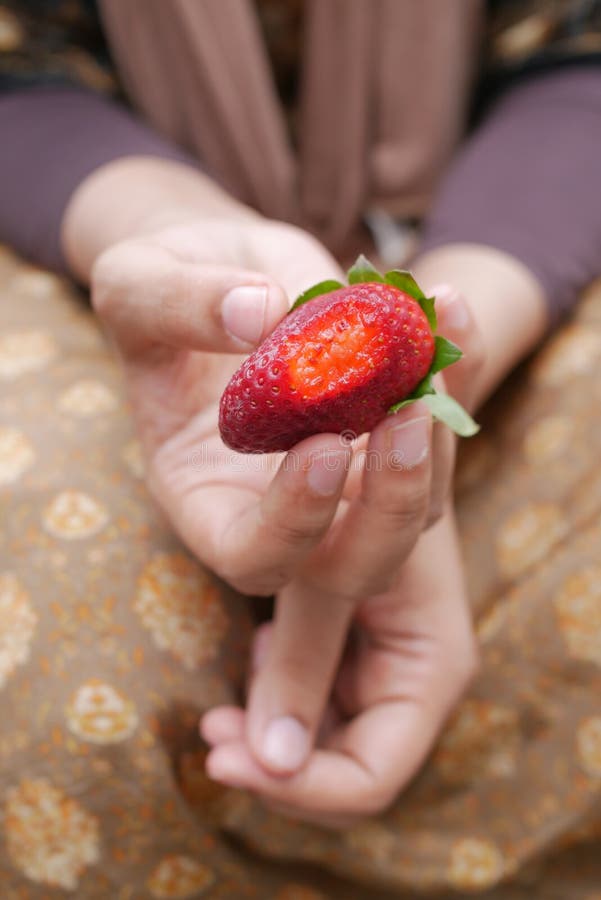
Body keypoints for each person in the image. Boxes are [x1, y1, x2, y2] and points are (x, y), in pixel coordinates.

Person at [0, 1, 600, 897]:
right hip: (83, 228)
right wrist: (160, 227)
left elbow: (578, 50)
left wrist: (454, 332)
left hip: (508, 239)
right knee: (68, 658)